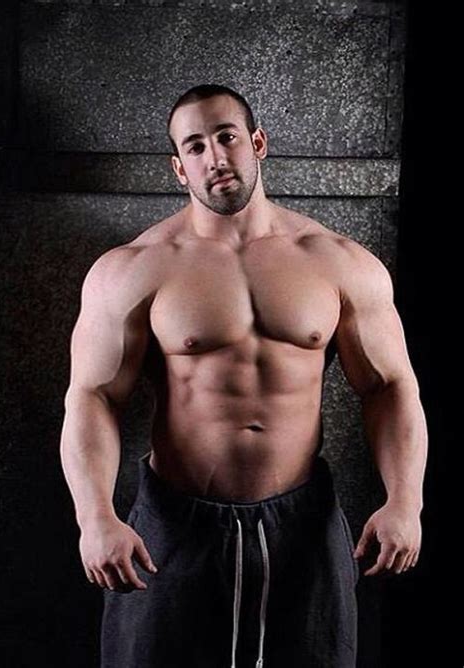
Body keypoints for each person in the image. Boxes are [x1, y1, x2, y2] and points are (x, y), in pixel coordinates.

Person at [60, 84, 427, 668]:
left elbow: (389, 386)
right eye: (195, 146)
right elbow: (93, 397)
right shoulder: (133, 269)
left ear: (257, 143)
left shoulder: (338, 262)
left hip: (302, 525)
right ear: (179, 168)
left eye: (226, 136)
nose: (215, 156)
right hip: (174, 528)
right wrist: (95, 516)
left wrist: (405, 500)